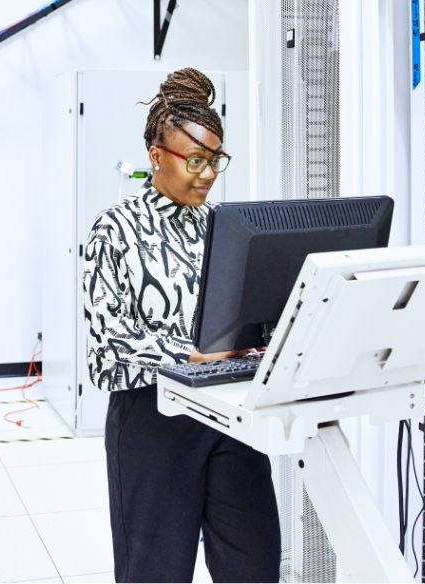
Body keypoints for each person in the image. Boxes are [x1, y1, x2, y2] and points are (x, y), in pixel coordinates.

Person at [82, 68, 281, 583]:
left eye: (216, 160)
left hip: (228, 414)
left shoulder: (224, 226)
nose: (208, 174)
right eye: (195, 160)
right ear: (156, 156)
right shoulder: (115, 230)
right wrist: (187, 352)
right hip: (152, 423)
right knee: (156, 572)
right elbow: (106, 349)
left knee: (254, 563)